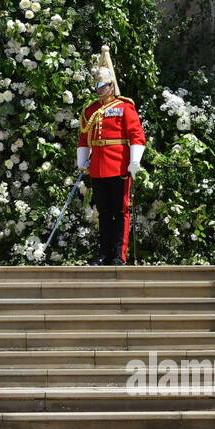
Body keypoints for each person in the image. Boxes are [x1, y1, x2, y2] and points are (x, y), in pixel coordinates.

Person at [75, 47, 146, 266]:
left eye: (102, 85)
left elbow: (136, 136)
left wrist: (135, 161)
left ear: (111, 85)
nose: (99, 89)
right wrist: (81, 161)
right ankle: (105, 253)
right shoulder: (91, 110)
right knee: (103, 211)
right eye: (96, 85)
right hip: (97, 166)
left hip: (119, 165)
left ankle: (119, 254)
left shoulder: (125, 107)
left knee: (120, 210)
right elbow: (84, 137)